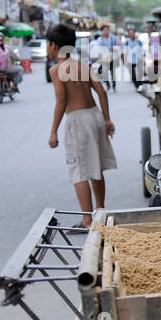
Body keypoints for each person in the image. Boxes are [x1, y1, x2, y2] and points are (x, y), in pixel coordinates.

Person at [47, 23, 116, 228]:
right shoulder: (83, 66)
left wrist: (53, 132)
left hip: (78, 120)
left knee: (78, 170)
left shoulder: (56, 69)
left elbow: (61, 101)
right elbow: (101, 91)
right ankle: (100, 212)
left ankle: (87, 219)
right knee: (96, 166)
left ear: (53, 46)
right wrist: (107, 119)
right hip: (95, 116)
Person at [90, 24, 121, 90]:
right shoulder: (100, 39)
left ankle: (114, 86)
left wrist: (114, 48)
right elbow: (99, 47)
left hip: (112, 57)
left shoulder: (113, 38)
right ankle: (107, 85)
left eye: (107, 30)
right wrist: (101, 38)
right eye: (104, 30)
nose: (106, 31)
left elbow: (118, 46)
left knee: (113, 72)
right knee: (105, 72)